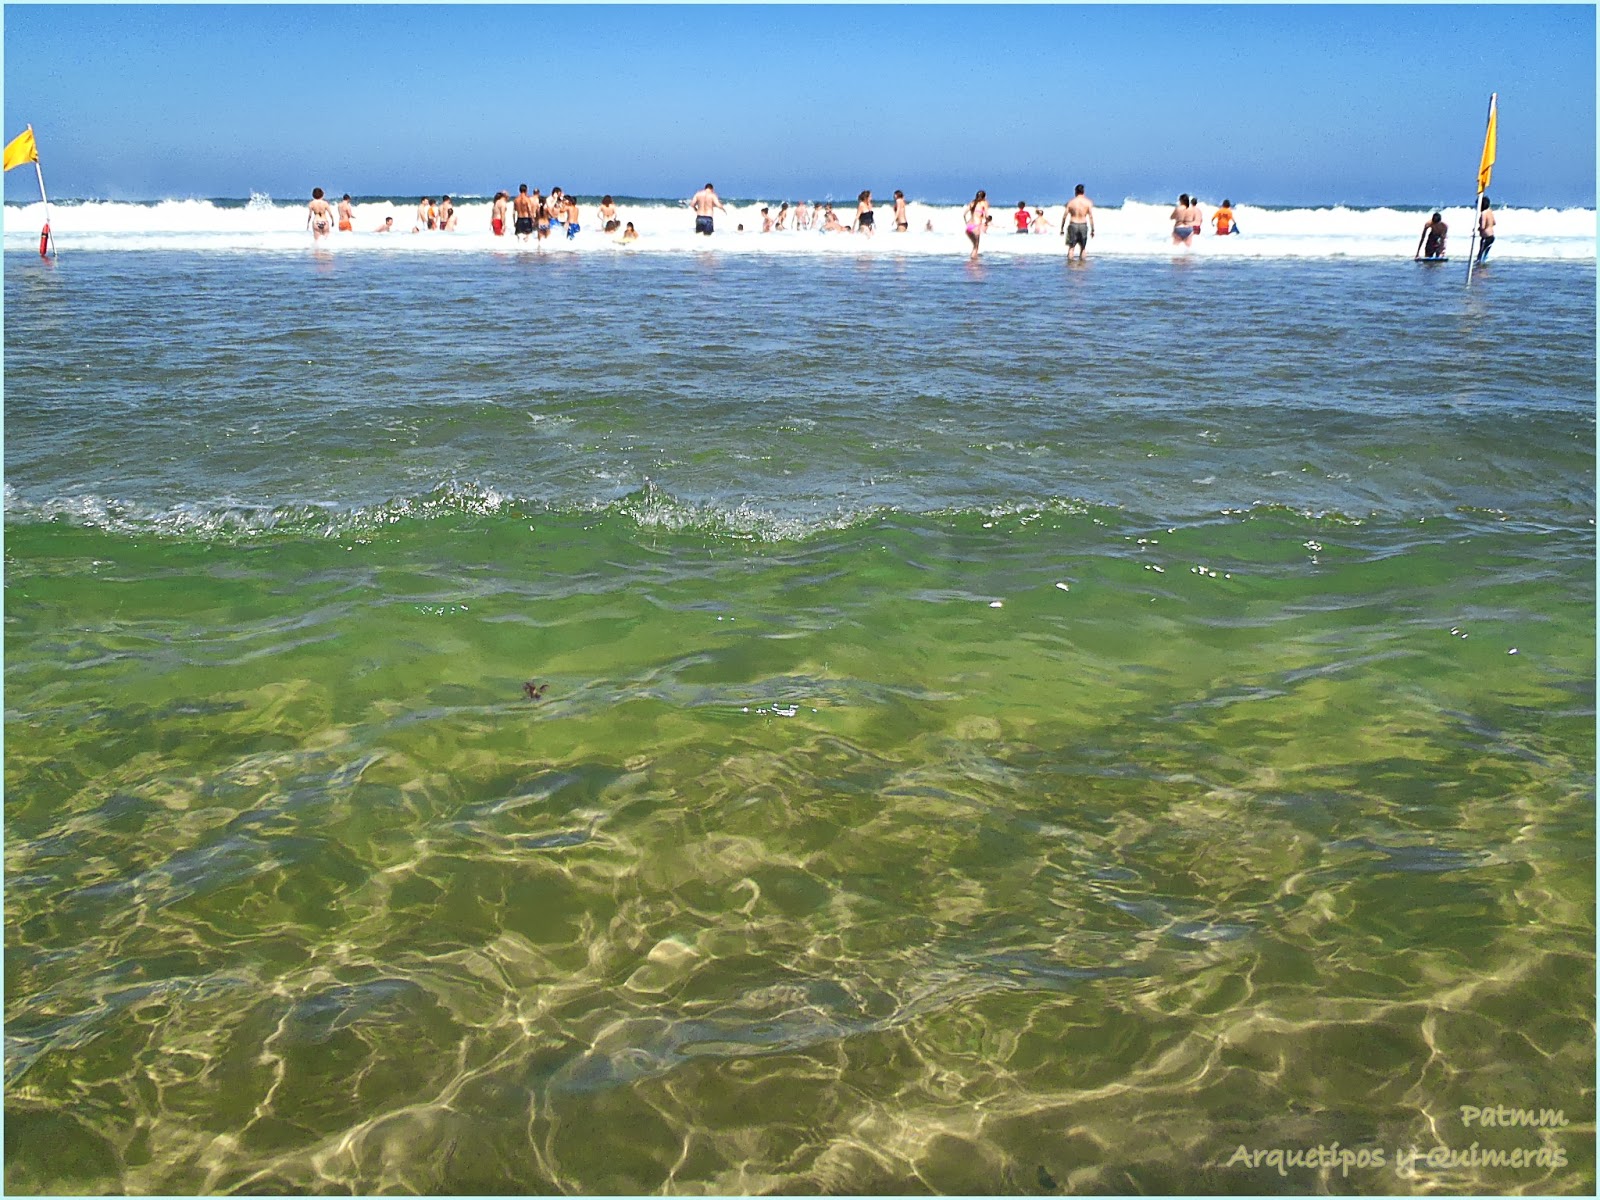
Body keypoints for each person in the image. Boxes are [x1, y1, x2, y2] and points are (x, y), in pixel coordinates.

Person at [1060, 183, 1095, 261]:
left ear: (1075, 191)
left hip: (1073, 224)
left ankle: (1070, 266)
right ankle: (1082, 265)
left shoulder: (1071, 202)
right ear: (1083, 191)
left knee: (1071, 247)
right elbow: (1091, 217)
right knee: (1083, 248)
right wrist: (1093, 230)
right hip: (1083, 224)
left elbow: (1064, 216)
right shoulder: (1088, 202)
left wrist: (1062, 228)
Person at [963, 189, 989, 259]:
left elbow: (964, 214)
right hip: (976, 226)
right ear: (984, 197)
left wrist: (966, 223)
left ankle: (972, 260)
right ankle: (974, 264)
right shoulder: (984, 203)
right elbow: (987, 215)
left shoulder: (972, 202)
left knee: (974, 246)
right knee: (976, 246)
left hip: (969, 226)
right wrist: (987, 222)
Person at [1476, 196, 1496, 263]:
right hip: (1492, 236)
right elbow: (1494, 223)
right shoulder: (1490, 211)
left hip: (1486, 237)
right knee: (1485, 255)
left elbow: (1482, 226)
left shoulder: (1483, 213)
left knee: (1480, 256)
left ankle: (1480, 269)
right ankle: (1484, 268)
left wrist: (1477, 229)